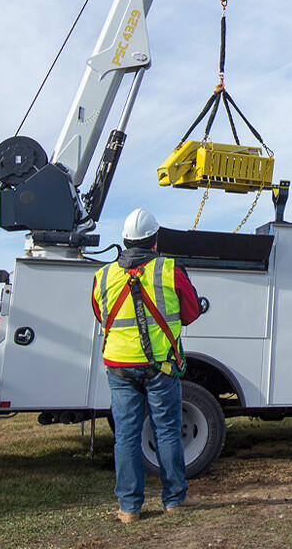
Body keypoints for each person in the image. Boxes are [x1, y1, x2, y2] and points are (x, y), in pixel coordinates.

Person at [91, 208, 201, 523]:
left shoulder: (104, 275)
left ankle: (128, 509)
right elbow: (191, 313)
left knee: (125, 435)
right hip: (161, 367)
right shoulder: (169, 270)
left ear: (125, 241)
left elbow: (101, 314)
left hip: (119, 366)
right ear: (155, 241)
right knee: (166, 431)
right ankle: (174, 500)